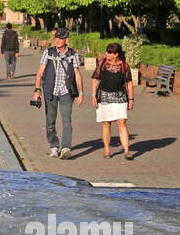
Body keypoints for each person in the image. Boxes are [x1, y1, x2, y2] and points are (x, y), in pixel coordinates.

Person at [32, 28, 84, 160]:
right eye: (56, 37)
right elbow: (40, 73)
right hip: (51, 90)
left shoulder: (73, 54)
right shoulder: (48, 53)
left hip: (66, 91)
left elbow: (77, 74)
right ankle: (54, 146)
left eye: (60, 38)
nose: (57, 40)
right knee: (50, 120)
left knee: (67, 119)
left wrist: (81, 92)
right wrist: (37, 90)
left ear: (67, 40)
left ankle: (66, 148)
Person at [91, 42, 135, 159]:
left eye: (109, 52)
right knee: (106, 124)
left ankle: (126, 151)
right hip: (104, 96)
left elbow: (129, 83)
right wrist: (93, 95)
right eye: (106, 51)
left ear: (116, 54)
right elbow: (95, 80)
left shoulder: (124, 65)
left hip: (120, 97)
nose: (107, 54)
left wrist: (131, 99)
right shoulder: (102, 63)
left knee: (122, 122)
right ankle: (107, 150)